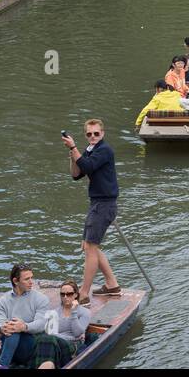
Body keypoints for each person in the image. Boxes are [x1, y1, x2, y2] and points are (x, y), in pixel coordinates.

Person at [63, 119, 122, 305]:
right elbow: (76, 175)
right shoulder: (89, 151)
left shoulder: (105, 150)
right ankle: (112, 285)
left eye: (96, 133)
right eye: (89, 134)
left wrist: (74, 148)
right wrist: (72, 155)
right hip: (96, 203)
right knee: (89, 246)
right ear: (86, 135)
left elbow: (87, 167)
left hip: (105, 204)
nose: (93, 137)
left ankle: (84, 294)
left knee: (90, 248)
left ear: (102, 134)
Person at [30, 281, 90, 368]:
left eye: (69, 294)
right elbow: (50, 333)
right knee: (43, 338)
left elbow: (77, 334)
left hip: (73, 345)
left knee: (48, 339)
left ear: (76, 295)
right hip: (54, 342)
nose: (65, 297)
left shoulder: (84, 312)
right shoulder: (54, 312)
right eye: (62, 294)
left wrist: (73, 312)